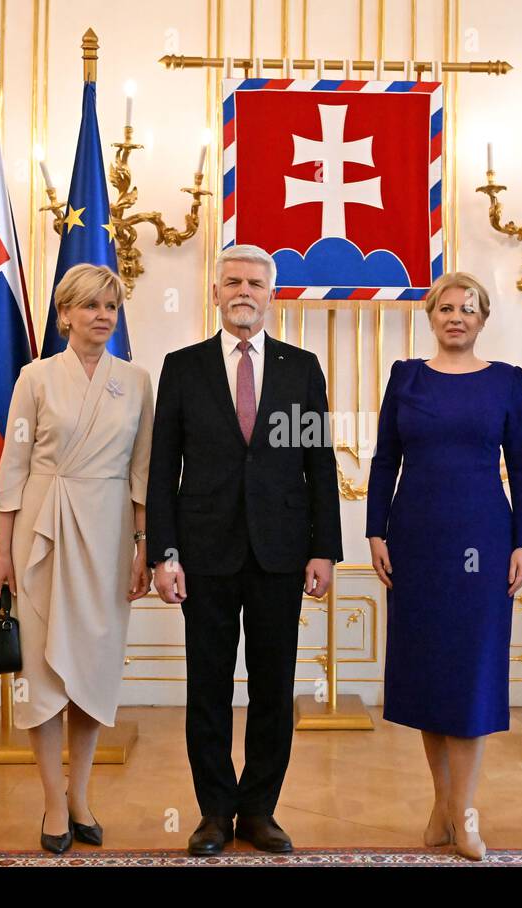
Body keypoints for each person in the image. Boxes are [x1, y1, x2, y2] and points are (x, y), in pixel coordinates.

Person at [146, 244, 343, 857]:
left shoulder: (302, 367)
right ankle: (212, 813)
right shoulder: (182, 367)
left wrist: (325, 549)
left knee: (272, 688)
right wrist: (164, 553)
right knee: (207, 688)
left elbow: (320, 462)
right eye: (232, 280)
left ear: (271, 294)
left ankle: (259, 811)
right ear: (215, 292)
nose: (244, 291)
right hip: (203, 554)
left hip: (281, 555)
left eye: (256, 283)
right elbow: (161, 472)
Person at [366, 272, 522, 861]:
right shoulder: (405, 377)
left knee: (469, 675)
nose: (456, 316)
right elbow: (386, 458)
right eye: (445, 307)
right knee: (427, 674)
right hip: (416, 540)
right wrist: (374, 530)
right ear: (430, 316)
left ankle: (463, 812)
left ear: (483, 318)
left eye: (468, 308)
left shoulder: (507, 382)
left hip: (485, 539)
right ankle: (444, 803)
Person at [0, 263, 154, 854]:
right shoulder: (34, 378)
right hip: (42, 530)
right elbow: (12, 466)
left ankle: (82, 794)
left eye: (110, 306)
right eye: (90, 306)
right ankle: (53, 803)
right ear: (65, 315)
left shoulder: (136, 381)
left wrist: (142, 545)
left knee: (91, 667)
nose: (102, 316)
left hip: (108, 534)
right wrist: (2, 551)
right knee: (42, 670)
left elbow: (142, 473)